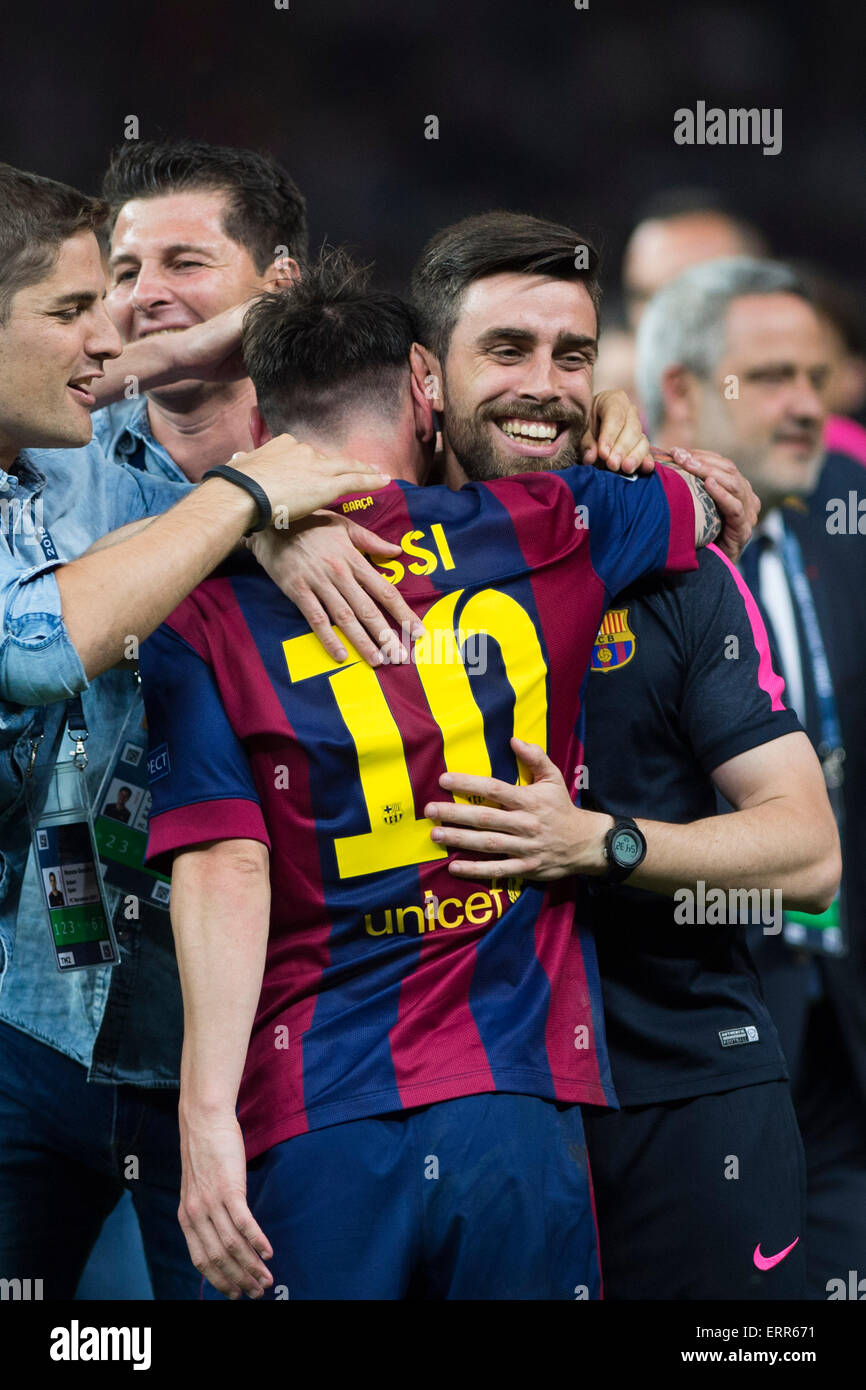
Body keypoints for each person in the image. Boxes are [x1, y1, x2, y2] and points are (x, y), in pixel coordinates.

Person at [138, 243, 724, 1301]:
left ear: (262, 429)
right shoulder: (549, 527)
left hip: (307, 1112)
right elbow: (709, 509)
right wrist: (620, 427)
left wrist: (204, 1121)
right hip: (508, 1100)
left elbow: (226, 867)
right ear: (423, 384)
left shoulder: (199, 611)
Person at [0, 160, 389, 1301]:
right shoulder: (62, 453)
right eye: (107, 282)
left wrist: (624, 428)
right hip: (43, 1017)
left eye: (181, 264)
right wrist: (244, 507)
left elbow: (512, 428)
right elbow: (32, 645)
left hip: (262, 1034)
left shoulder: (368, 450)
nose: (130, 306)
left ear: (276, 282)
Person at [635, 254, 866, 1298]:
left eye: (814, 379)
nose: (805, 406)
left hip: (842, 1020)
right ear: (680, 389)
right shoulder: (623, 544)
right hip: (691, 1018)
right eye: (770, 377)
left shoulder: (849, 512)